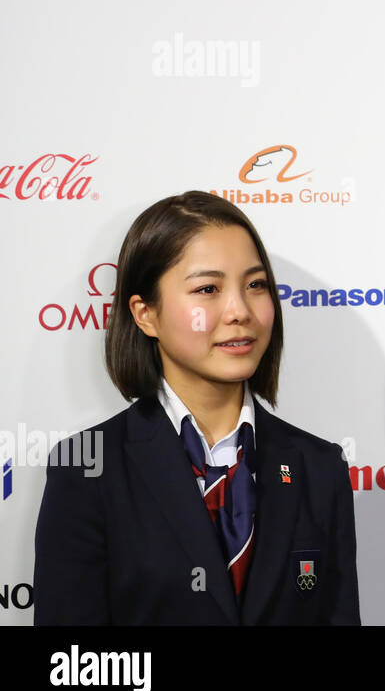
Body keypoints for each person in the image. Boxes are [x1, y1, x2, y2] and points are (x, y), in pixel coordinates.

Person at [34, 191, 360, 624]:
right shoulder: (89, 471)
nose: (239, 310)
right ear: (145, 313)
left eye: (256, 285)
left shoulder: (319, 467)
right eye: (208, 289)